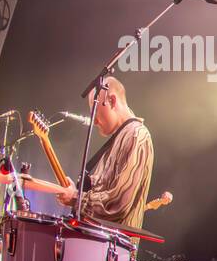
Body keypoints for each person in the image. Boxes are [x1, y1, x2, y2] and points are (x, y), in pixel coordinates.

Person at [55, 76, 154, 228]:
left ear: (112, 101)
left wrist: (76, 198)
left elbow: (116, 205)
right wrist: (76, 190)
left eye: (96, 112)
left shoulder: (136, 135)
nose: (93, 121)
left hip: (113, 249)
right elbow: (102, 189)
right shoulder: (118, 138)